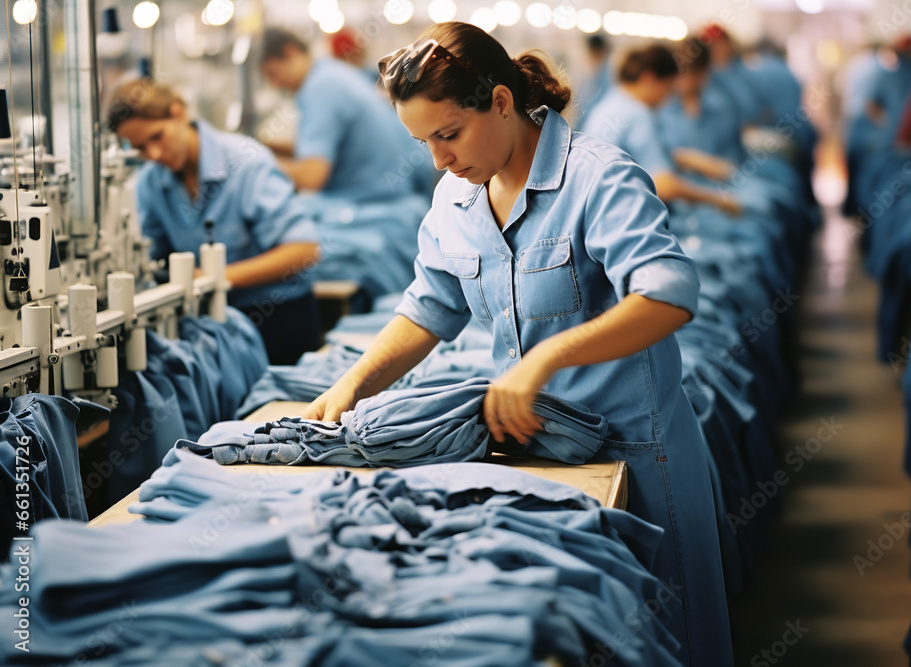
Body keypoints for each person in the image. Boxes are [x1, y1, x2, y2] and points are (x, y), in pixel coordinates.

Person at [303, 21, 731, 667]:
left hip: (635, 457)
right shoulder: (455, 196)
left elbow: (669, 295)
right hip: (539, 458)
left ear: (501, 101)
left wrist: (548, 356)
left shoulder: (598, 178)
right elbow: (430, 307)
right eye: (424, 142)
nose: (439, 160)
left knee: (670, 638)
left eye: (449, 134)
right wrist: (352, 384)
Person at [106, 79, 321, 365]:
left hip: (278, 319)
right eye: (140, 148)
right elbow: (153, 258)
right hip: (210, 325)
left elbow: (303, 251)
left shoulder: (246, 162)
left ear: (179, 113)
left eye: (157, 137)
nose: (154, 155)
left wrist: (211, 278)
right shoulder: (150, 182)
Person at [258, 28, 430, 203]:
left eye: (273, 74)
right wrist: (269, 147)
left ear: (290, 51)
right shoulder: (330, 73)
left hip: (376, 205)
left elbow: (311, 177)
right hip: (400, 192)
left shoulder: (320, 89)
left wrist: (254, 164)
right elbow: (326, 147)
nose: (275, 84)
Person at [580, 44, 741, 216]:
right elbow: (664, 186)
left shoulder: (611, 103)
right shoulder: (638, 114)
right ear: (649, 78)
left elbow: (635, 154)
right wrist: (718, 200)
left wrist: (694, 161)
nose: (668, 98)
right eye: (668, 88)